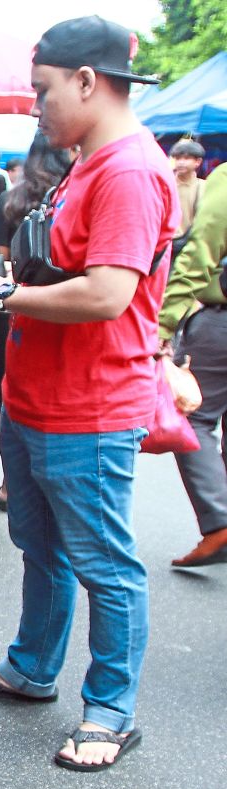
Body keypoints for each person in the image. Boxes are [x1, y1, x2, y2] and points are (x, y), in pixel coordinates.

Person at [0, 16, 177, 772]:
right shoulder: (84, 164)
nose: (36, 105)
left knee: (104, 563)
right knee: (40, 548)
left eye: (43, 90)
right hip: (38, 398)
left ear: (86, 80)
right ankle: (31, 668)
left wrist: (3, 297)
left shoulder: (129, 171)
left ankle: (110, 710)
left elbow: (109, 294)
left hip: (92, 407)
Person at [0, 132, 74, 511]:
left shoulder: (12, 202)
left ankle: (13, 483)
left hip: (6, 308)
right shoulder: (70, 201)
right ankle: (46, 482)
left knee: (8, 398)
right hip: (58, 310)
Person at [159, 163, 227, 566]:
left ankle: (219, 522)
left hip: (220, 323)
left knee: (194, 416)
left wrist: (163, 323)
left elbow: (201, 250)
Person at [170, 138, 206, 237]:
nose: (181, 162)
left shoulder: (204, 187)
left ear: (197, 162)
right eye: (177, 158)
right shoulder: (167, 185)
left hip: (193, 242)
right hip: (167, 244)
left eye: (186, 158)